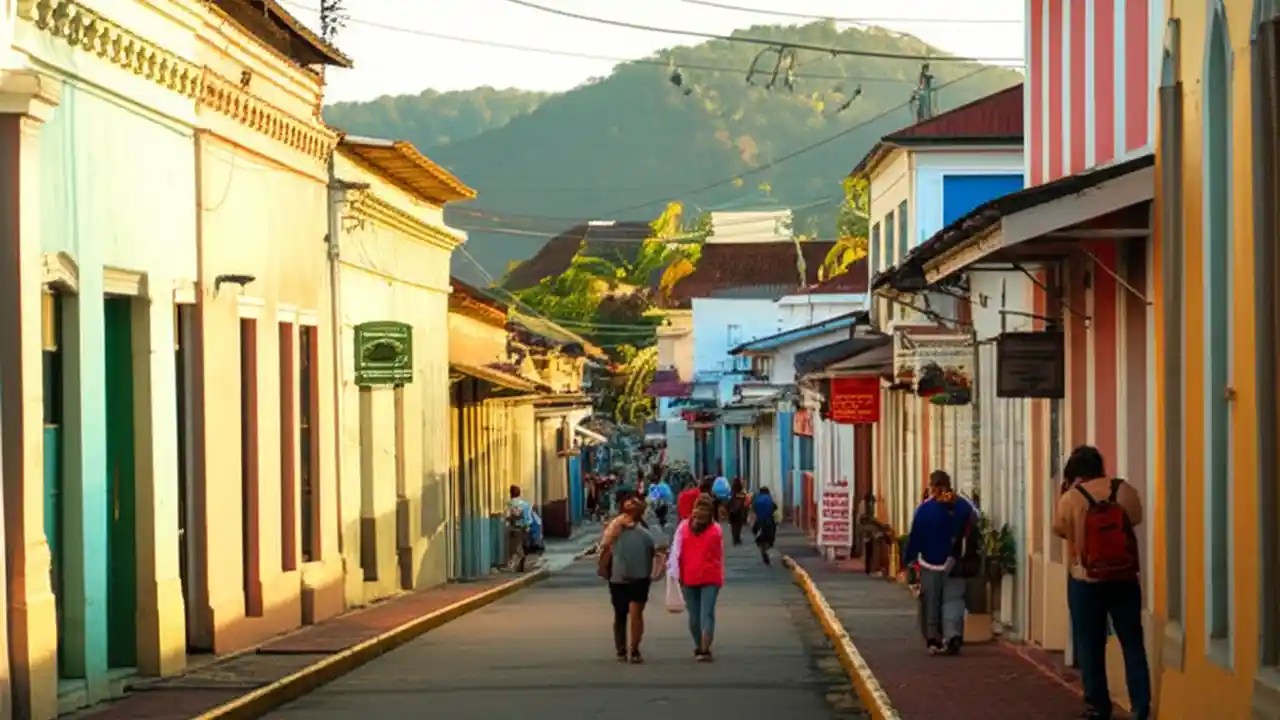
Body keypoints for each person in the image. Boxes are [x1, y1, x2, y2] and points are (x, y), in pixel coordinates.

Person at [1053, 446, 1149, 720]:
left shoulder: (1071, 498)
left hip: (1086, 579)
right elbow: (1137, 517)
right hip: (1124, 576)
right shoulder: (1124, 490)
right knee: (1132, 642)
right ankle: (1140, 705)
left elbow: (1059, 528)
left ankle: (1098, 706)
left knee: (1090, 645)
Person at [903, 470, 977, 656]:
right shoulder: (962, 505)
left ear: (932, 487)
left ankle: (933, 639)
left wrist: (909, 560)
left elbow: (915, 537)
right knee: (953, 599)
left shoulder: (925, 510)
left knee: (930, 601)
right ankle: (953, 635)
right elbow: (975, 519)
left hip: (930, 563)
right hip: (954, 562)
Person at [600, 493, 667, 663]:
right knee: (635, 614)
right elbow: (657, 551)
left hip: (619, 578)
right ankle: (634, 650)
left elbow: (604, 545)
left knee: (621, 615)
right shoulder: (645, 534)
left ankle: (622, 650)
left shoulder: (614, 529)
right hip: (639, 577)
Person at [668, 495, 724, 661]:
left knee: (694, 614)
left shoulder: (684, 527)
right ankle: (705, 649)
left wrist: (675, 572)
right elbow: (719, 554)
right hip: (711, 577)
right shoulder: (716, 530)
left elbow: (675, 551)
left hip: (689, 576)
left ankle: (699, 646)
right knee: (707, 614)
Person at [506, 485, 535, 572]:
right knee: (521, 545)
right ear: (519, 493)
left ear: (511, 493)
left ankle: (513, 563)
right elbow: (528, 518)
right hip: (523, 528)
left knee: (512, 547)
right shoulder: (525, 505)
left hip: (512, 527)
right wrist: (527, 526)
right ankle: (521, 560)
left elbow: (506, 516)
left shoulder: (509, 504)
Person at [751, 486, 778, 565]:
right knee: (770, 537)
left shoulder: (757, 499)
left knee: (758, 536)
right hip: (769, 521)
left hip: (759, 521)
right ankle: (766, 549)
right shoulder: (768, 498)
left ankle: (762, 549)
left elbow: (754, 509)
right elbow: (775, 507)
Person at [727, 479, 749, 545]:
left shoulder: (731, 492)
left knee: (733, 526)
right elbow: (744, 500)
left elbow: (729, 502)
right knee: (739, 525)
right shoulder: (741, 492)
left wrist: (729, 509)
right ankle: (737, 538)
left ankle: (735, 539)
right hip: (740, 511)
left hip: (732, 511)